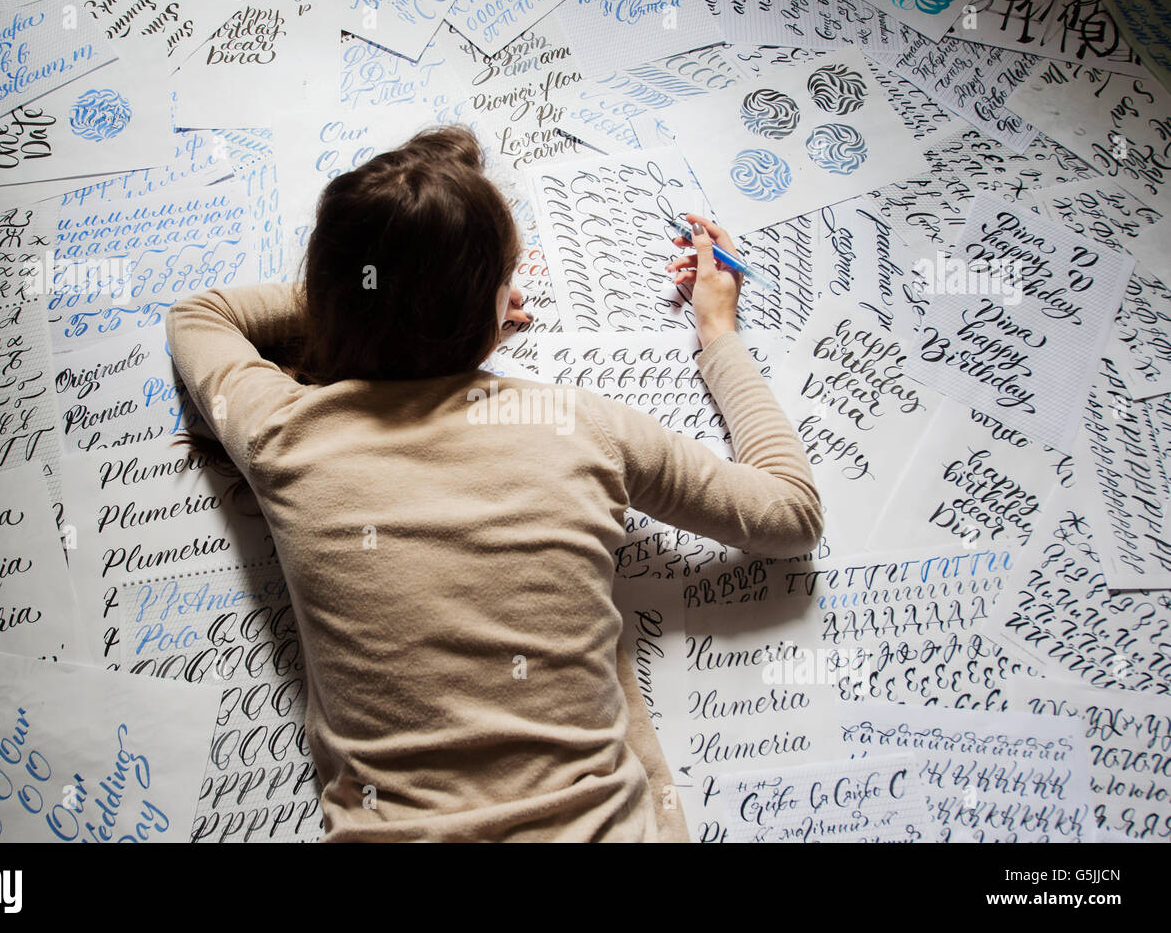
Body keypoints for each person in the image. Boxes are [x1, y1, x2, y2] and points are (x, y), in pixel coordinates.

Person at [165, 124, 824, 842]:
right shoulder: (577, 426)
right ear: (490, 298)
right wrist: (719, 333)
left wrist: (404, 299)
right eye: (509, 273)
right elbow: (790, 513)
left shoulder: (283, 434)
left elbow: (200, 315)